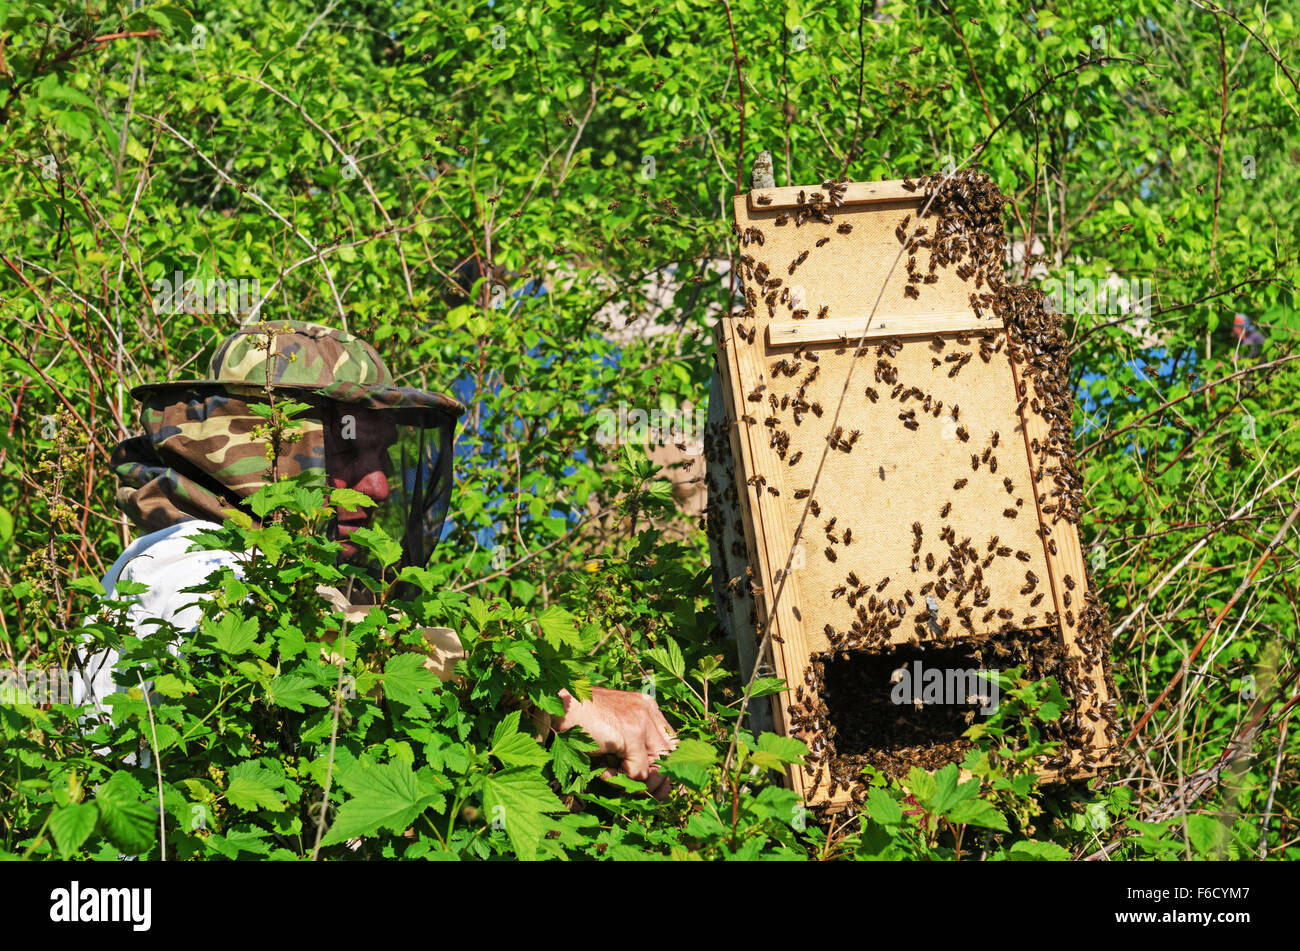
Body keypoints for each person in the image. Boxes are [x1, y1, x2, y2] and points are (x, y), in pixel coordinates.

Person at [74, 321, 677, 798]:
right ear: (267, 448)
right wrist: (562, 700)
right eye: (351, 454)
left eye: (384, 458)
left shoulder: (275, 572)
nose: (381, 487)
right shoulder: (185, 567)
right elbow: (325, 667)